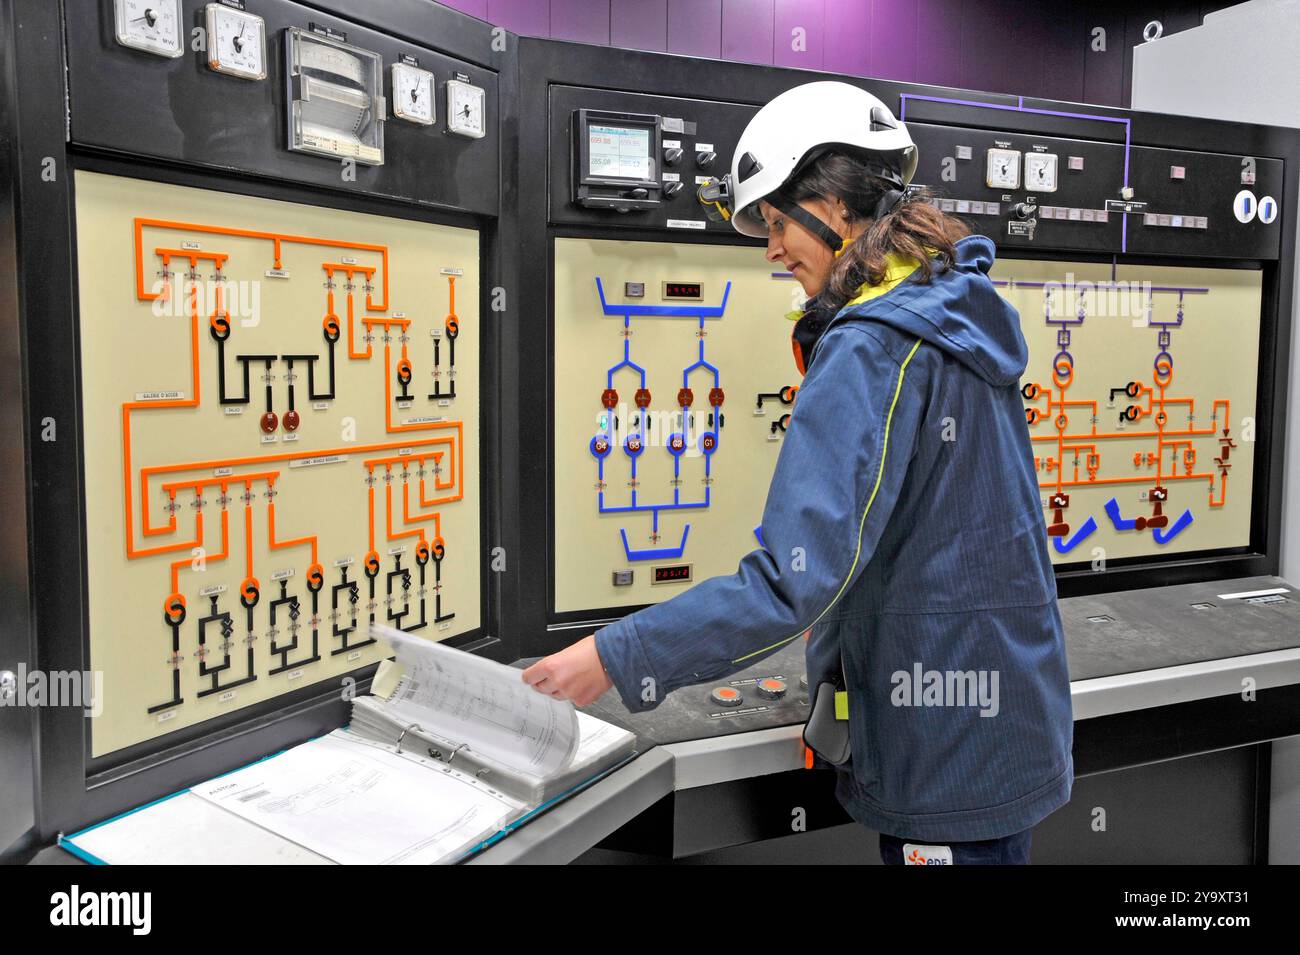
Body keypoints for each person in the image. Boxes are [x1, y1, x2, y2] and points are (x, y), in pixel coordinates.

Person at [523, 81, 1073, 865]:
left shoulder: (874, 345)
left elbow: (793, 577)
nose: (772, 248)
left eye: (779, 221)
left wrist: (612, 655)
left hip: (942, 747)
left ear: (839, 206)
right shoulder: (953, 309)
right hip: (1000, 716)